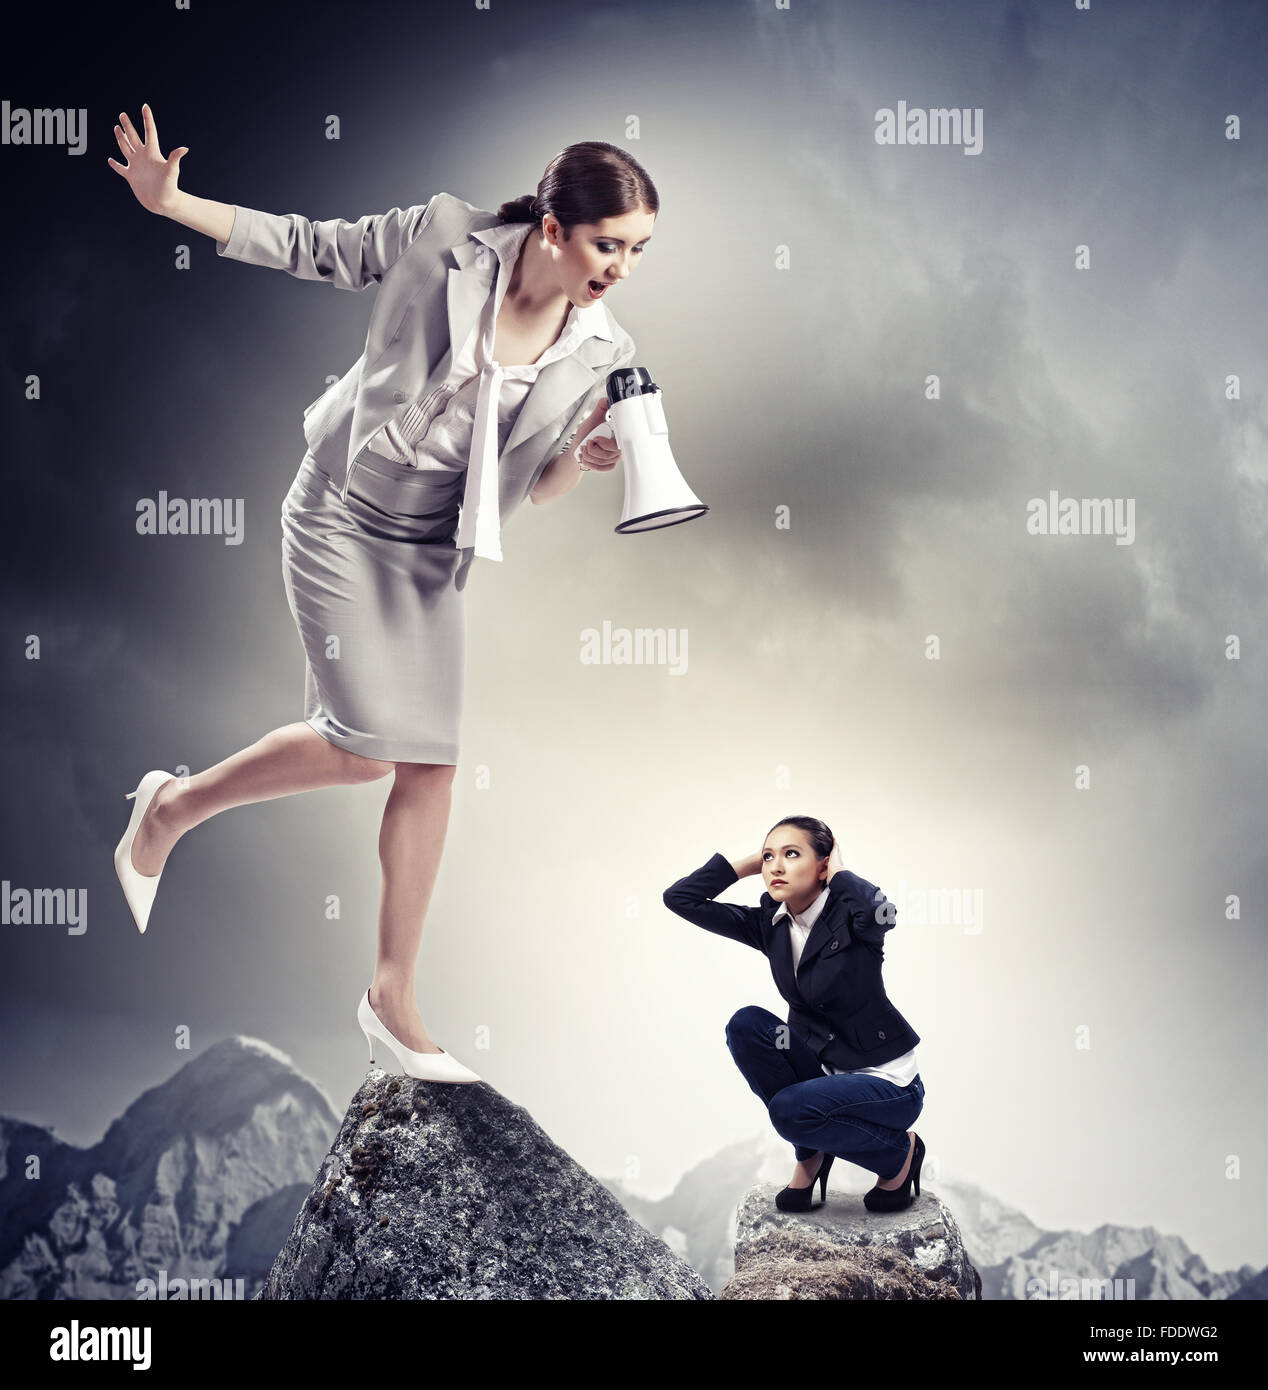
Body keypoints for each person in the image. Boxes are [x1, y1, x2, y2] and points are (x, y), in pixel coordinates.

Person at [107, 103, 654, 1083]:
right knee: (365, 750)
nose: (618, 267)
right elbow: (314, 247)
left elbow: (534, 484)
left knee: (426, 764)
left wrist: (587, 452)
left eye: (637, 251)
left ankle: (391, 1002)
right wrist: (172, 202)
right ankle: (169, 812)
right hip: (339, 511)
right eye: (608, 243)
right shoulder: (442, 236)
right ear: (553, 228)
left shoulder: (600, 356)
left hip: (431, 551)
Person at [662, 816, 926, 1212]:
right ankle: (812, 1155)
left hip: (886, 1084)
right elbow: (680, 899)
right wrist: (748, 863)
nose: (776, 866)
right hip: (824, 1075)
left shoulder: (854, 919)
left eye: (791, 854)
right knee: (747, 1025)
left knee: (790, 1110)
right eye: (770, 856)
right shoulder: (771, 924)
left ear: (823, 865)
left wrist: (837, 872)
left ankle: (899, 1154)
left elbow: (882, 913)